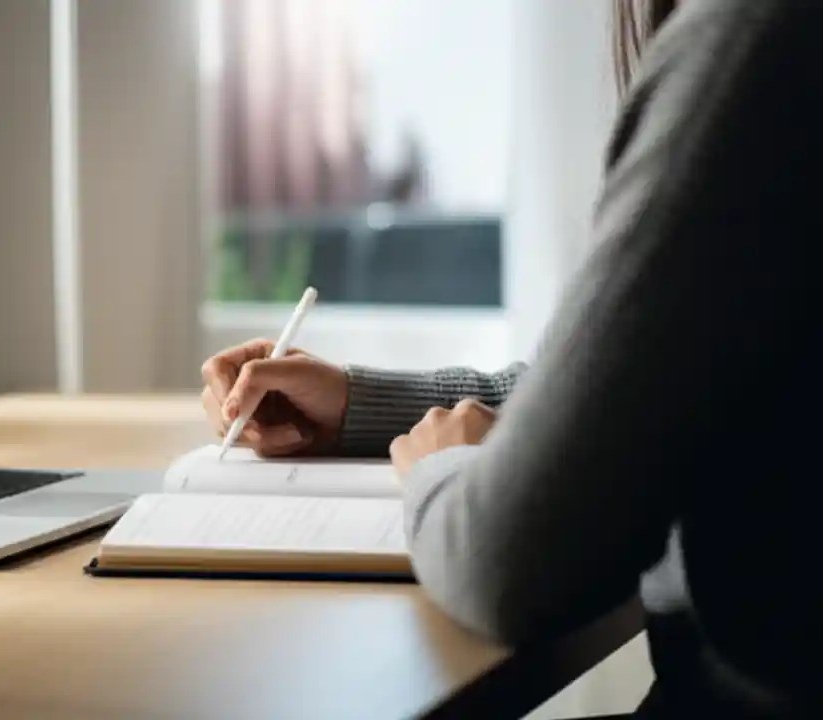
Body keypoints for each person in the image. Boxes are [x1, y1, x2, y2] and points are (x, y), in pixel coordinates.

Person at [200, 0, 820, 716]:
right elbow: (639, 388)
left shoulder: (753, 43)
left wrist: (441, 469)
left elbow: (510, 562)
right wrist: (355, 403)